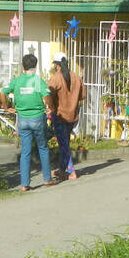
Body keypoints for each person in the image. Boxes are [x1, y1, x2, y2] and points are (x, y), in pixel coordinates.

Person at [4, 54, 55, 191]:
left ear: (23, 66)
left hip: (22, 119)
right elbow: (47, 96)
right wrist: (51, 108)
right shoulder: (37, 81)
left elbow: (3, 93)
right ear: (35, 66)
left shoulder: (17, 81)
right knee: (43, 148)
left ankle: (24, 184)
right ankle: (47, 179)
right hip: (37, 118)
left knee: (25, 151)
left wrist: (6, 107)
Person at [48, 52, 85, 180]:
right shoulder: (76, 77)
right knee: (65, 142)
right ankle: (62, 169)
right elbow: (82, 96)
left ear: (57, 65)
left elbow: (48, 96)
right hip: (72, 115)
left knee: (63, 144)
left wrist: (52, 108)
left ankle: (71, 171)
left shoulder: (55, 78)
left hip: (59, 115)